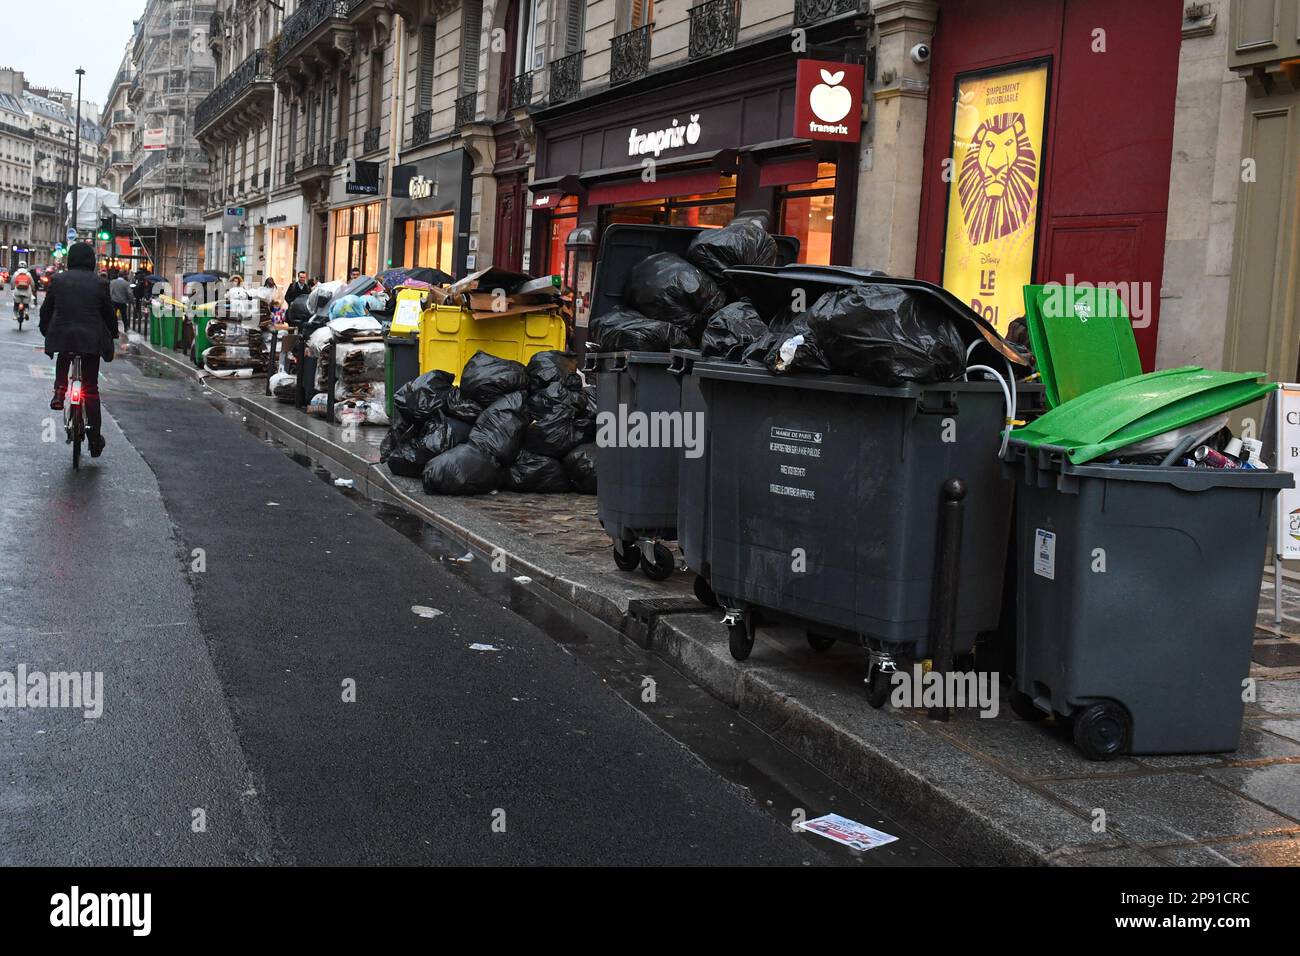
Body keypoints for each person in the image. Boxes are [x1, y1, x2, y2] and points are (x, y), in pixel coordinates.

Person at [39, 242, 117, 458]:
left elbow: (46, 311)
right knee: (91, 388)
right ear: (91, 261)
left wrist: (46, 330)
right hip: (91, 340)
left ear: (71, 259)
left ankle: (59, 392)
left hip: (62, 335)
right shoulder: (100, 283)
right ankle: (94, 440)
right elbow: (108, 314)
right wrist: (114, 332)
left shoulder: (58, 280)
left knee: (64, 355)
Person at [108, 268, 131, 340]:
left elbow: (110, 291)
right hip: (122, 301)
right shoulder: (126, 283)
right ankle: (126, 328)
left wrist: (111, 299)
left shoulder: (112, 282)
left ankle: (112, 328)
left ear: (118, 275)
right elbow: (129, 293)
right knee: (124, 315)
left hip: (114, 301)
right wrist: (130, 300)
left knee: (113, 315)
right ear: (124, 275)